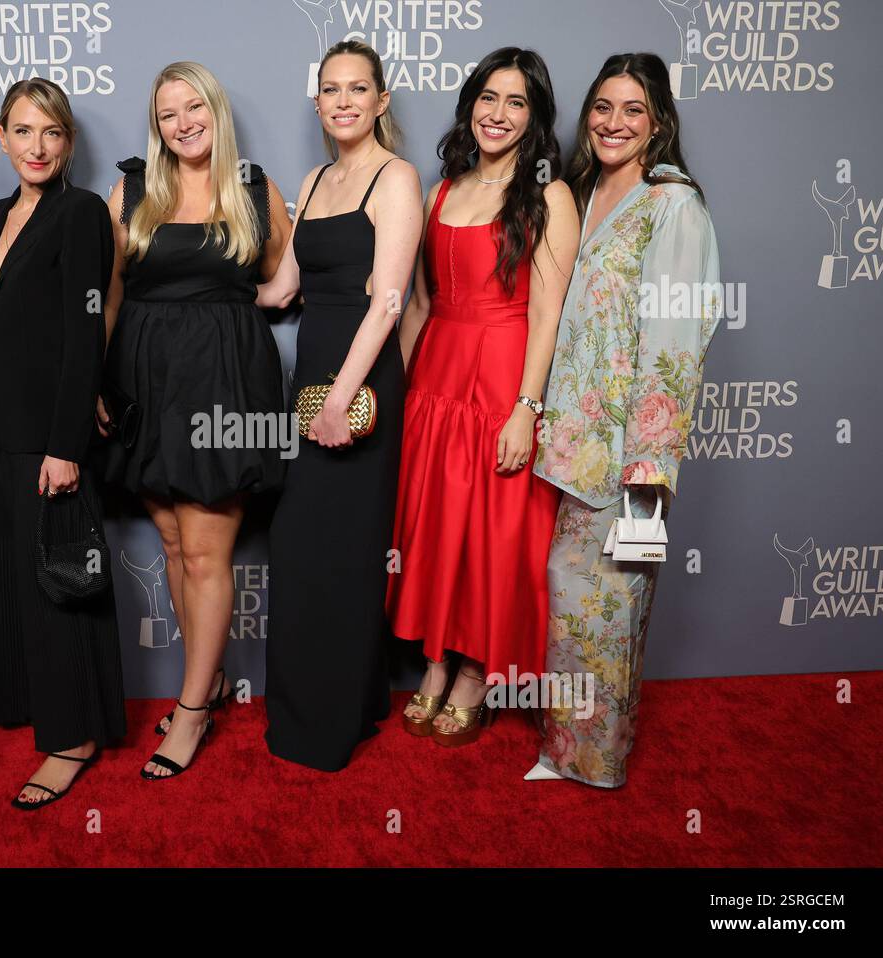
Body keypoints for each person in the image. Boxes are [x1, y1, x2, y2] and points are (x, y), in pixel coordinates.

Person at [528, 52, 721, 788]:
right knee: (578, 604)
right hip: (571, 443)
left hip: (623, 455)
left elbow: (675, 345)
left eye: (632, 110)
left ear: (659, 121)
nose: (613, 122)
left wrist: (649, 469)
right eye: (602, 108)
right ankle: (564, 749)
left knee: (606, 607)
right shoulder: (585, 188)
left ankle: (594, 763)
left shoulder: (672, 204)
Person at [100, 61, 291, 780]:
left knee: (209, 552)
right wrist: (100, 377)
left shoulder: (250, 186)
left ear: (215, 110)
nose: (183, 124)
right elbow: (109, 297)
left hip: (226, 385)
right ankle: (203, 682)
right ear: (157, 124)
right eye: (168, 113)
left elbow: (286, 271)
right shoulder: (132, 189)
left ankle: (190, 712)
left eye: (194, 108)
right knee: (177, 547)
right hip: (145, 383)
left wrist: (233, 314)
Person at [387, 48, 577, 746]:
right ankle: (434, 666)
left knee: (491, 534)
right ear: (471, 104)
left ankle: (474, 676)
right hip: (437, 378)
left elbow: (548, 312)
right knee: (437, 529)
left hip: (501, 381)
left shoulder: (549, 194)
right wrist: (397, 392)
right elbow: (418, 305)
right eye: (489, 98)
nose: (498, 113)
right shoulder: (441, 191)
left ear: (535, 117)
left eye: (517, 102)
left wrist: (527, 409)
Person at [257, 40, 422, 772]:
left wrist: (342, 401)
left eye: (359, 88)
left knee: (350, 555)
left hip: (362, 385)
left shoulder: (398, 178)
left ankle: (336, 723)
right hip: (310, 384)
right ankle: (322, 706)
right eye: (331, 89)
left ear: (382, 100)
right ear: (318, 102)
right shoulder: (316, 176)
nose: (344, 100)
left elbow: (389, 303)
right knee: (299, 550)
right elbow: (282, 290)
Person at [0, 78, 126, 809]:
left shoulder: (81, 213)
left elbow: (82, 333)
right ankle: (30, 708)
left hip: (48, 437)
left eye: (51, 133)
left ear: (68, 143)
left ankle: (75, 738)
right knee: (10, 582)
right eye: (23, 131)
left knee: (59, 582)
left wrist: (67, 445)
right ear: (1, 136)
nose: (36, 146)